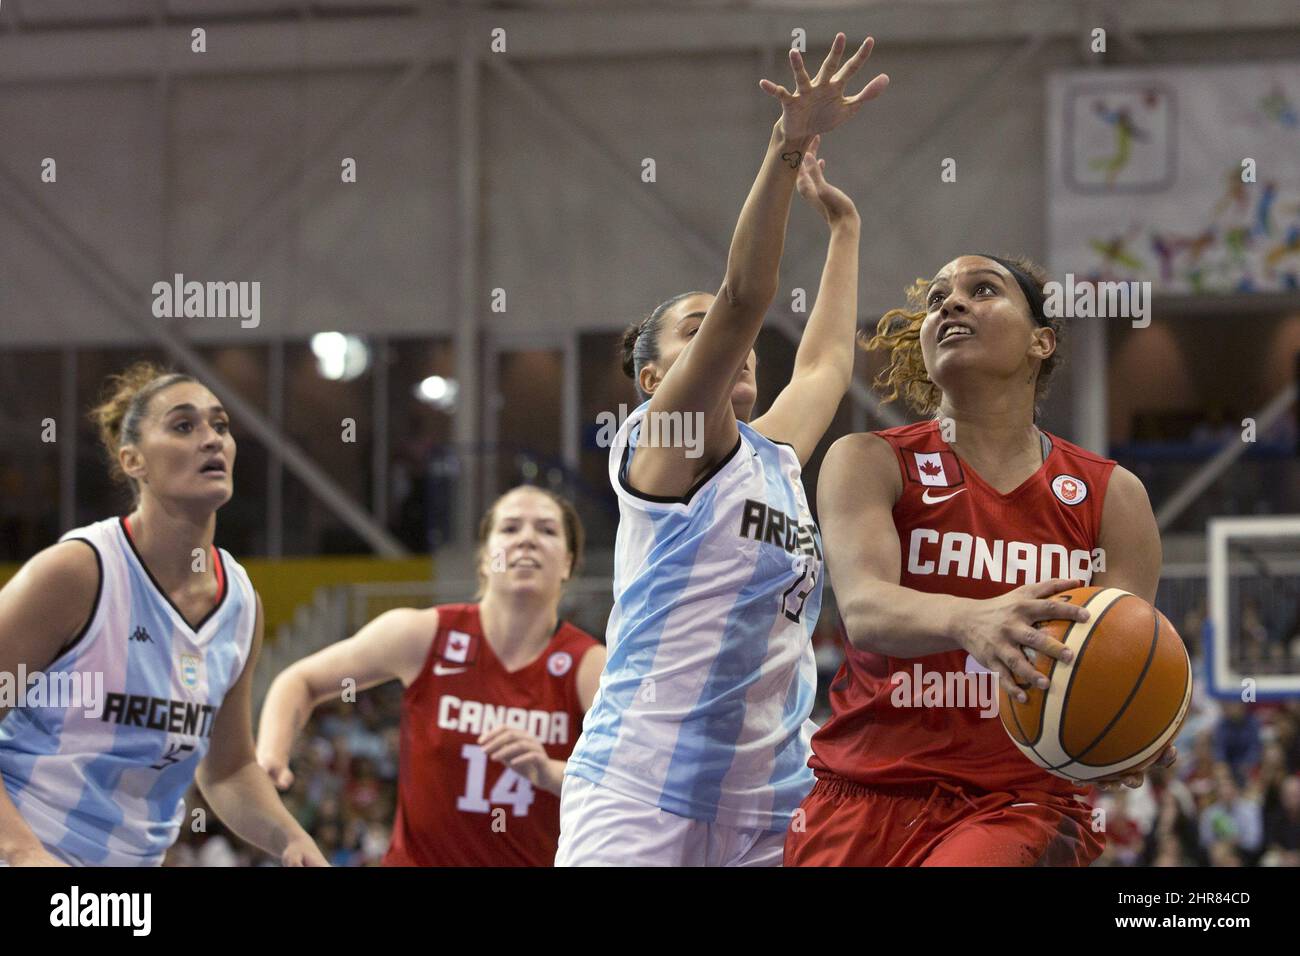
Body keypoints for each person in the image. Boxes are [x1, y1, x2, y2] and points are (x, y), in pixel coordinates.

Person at [557, 32, 887, 866]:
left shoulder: (773, 454)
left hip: (774, 801)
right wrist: (786, 147)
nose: (732, 346)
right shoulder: (663, 444)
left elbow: (825, 362)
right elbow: (746, 297)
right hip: (638, 791)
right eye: (696, 335)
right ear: (653, 377)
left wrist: (844, 230)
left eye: (730, 340)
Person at [785, 253, 1175, 867]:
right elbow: (865, 609)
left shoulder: (1111, 494)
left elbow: (1123, 656)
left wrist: (1140, 726)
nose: (951, 304)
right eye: (938, 296)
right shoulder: (867, 460)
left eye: (983, 290)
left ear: (1040, 342)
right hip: (857, 795)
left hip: (1022, 802)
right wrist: (973, 620)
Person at [0, 362, 324, 866]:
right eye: (183, 425)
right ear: (134, 461)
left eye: (220, 425)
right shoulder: (77, 573)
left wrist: (290, 838)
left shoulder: (240, 605)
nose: (212, 439)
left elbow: (227, 770)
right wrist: (21, 852)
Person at [258, 485, 604, 866]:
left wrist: (549, 772)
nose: (527, 539)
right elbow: (300, 681)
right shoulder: (423, 635)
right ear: (485, 558)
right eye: (510, 528)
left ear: (569, 563)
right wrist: (271, 756)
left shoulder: (590, 666)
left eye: (546, 530)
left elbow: (632, 788)